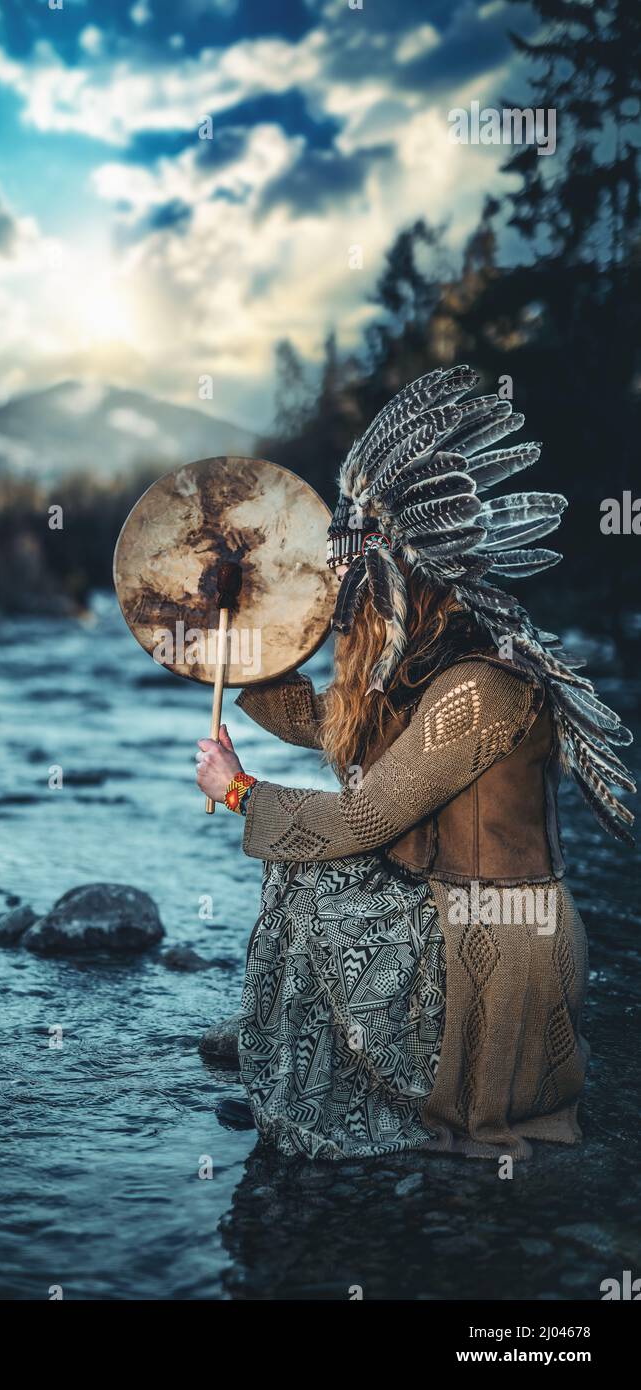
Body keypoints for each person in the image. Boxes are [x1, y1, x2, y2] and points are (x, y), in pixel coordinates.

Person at [195, 364, 634, 1161]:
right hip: (452, 909)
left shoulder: (480, 686)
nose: (339, 606)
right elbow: (329, 721)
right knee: (308, 873)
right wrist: (231, 648)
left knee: (322, 867)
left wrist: (239, 793)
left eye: (350, 586)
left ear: (395, 576)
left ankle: (386, 1084)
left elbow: (367, 816)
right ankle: (286, 1032)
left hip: (499, 954)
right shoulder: (430, 663)